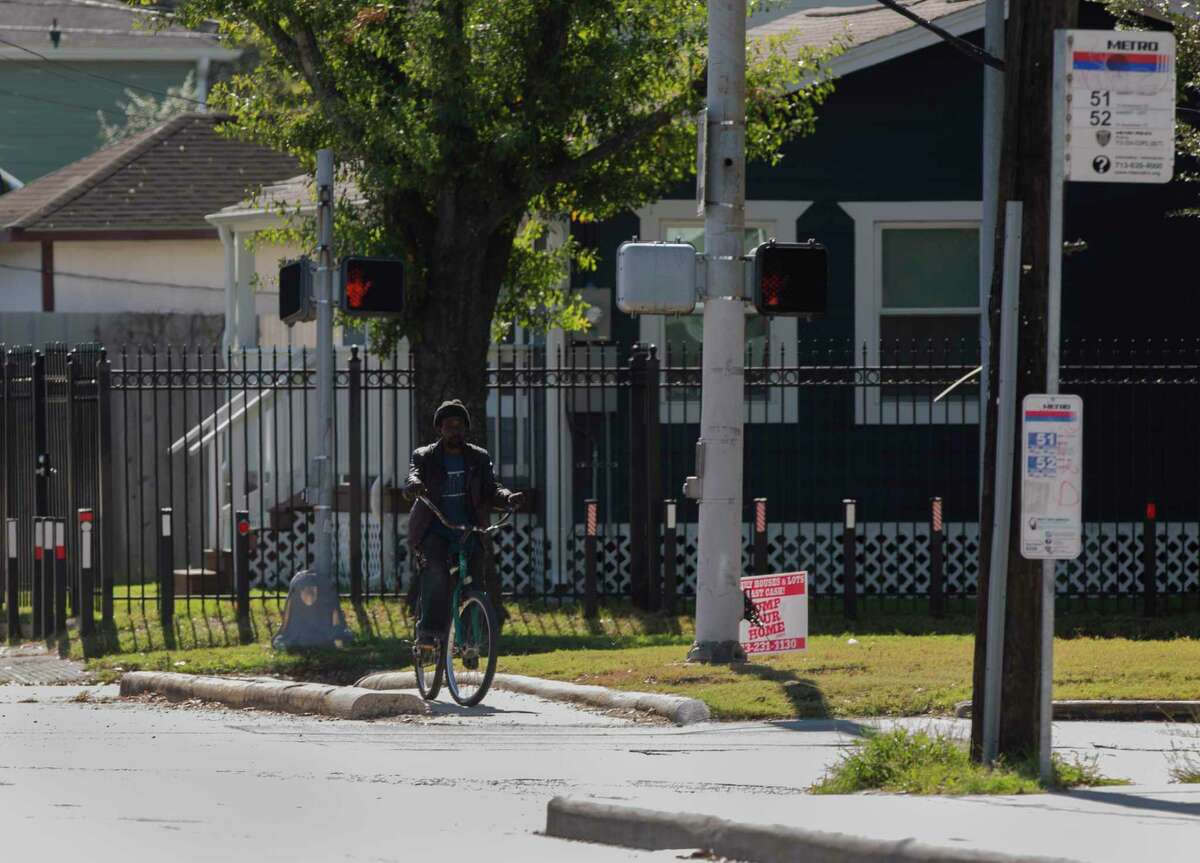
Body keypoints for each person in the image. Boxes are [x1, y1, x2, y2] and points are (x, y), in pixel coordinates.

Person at [404, 399, 521, 648]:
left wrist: (507, 498)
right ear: (440, 429)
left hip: (468, 529)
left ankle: (469, 640)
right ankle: (429, 633)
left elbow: (492, 489)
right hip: (434, 529)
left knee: (476, 582)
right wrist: (414, 485)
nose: (454, 431)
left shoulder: (478, 458)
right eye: (449, 426)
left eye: (459, 426)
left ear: (465, 429)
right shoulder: (425, 456)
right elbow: (414, 473)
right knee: (436, 572)